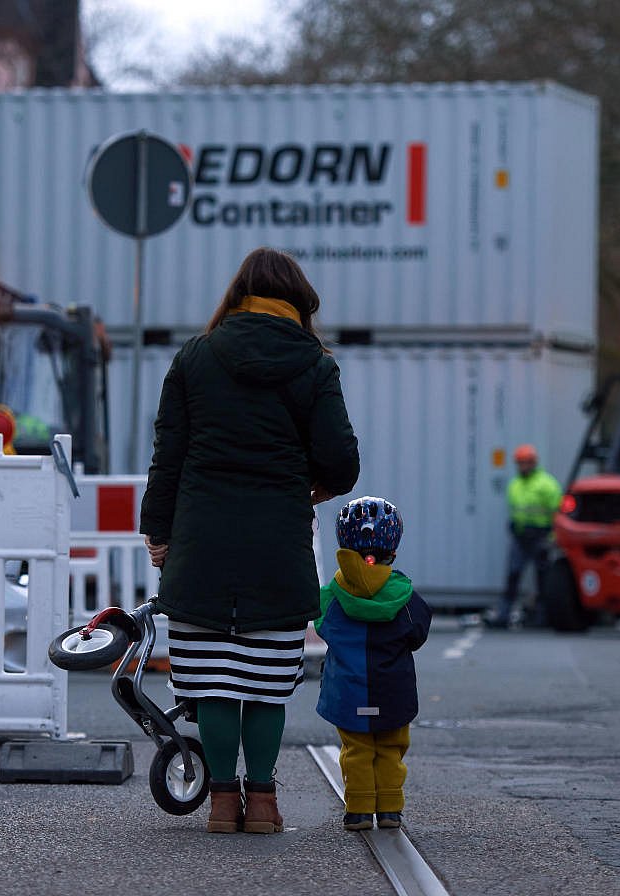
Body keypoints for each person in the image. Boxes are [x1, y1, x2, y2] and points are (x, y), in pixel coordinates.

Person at [139, 246, 360, 834]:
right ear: (298, 301)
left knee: (213, 682)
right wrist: (307, 487)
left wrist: (159, 533)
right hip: (277, 545)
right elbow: (342, 460)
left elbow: (169, 457)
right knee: (264, 685)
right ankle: (262, 803)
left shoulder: (195, 358)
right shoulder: (314, 364)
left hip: (201, 544)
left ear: (237, 295)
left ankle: (219, 802)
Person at [315, 496, 432, 831]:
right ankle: (391, 809)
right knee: (391, 748)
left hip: (349, 692)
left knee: (356, 749)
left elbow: (322, 626)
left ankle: (359, 810)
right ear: (393, 551)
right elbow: (418, 634)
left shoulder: (331, 595)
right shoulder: (405, 595)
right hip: (392, 692)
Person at [488, 443, 562, 628]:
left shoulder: (547, 485)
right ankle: (504, 616)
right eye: (520, 463)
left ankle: (543, 617)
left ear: (534, 463)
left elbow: (558, 514)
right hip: (521, 538)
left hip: (541, 538)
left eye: (527, 462)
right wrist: (513, 525)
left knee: (543, 579)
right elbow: (516, 510)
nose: (523, 466)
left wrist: (551, 539)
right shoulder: (515, 485)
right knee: (512, 577)